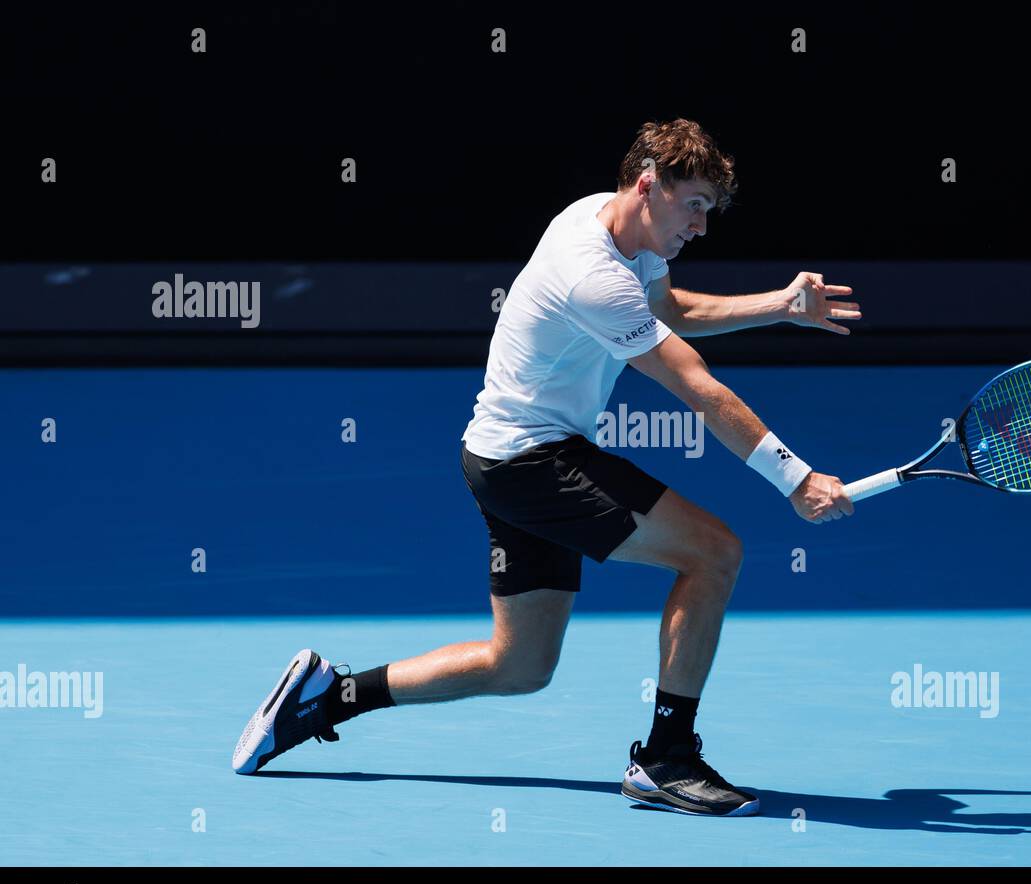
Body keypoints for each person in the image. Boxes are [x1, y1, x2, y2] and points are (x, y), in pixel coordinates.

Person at [233, 118, 858, 816]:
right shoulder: (592, 272)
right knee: (714, 554)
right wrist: (794, 477)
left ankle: (330, 696)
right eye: (695, 205)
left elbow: (670, 307)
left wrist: (779, 305)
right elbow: (699, 389)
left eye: (709, 210)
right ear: (649, 184)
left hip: (500, 456)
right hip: (532, 460)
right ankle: (667, 758)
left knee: (520, 665)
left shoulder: (616, 224)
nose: (702, 227)